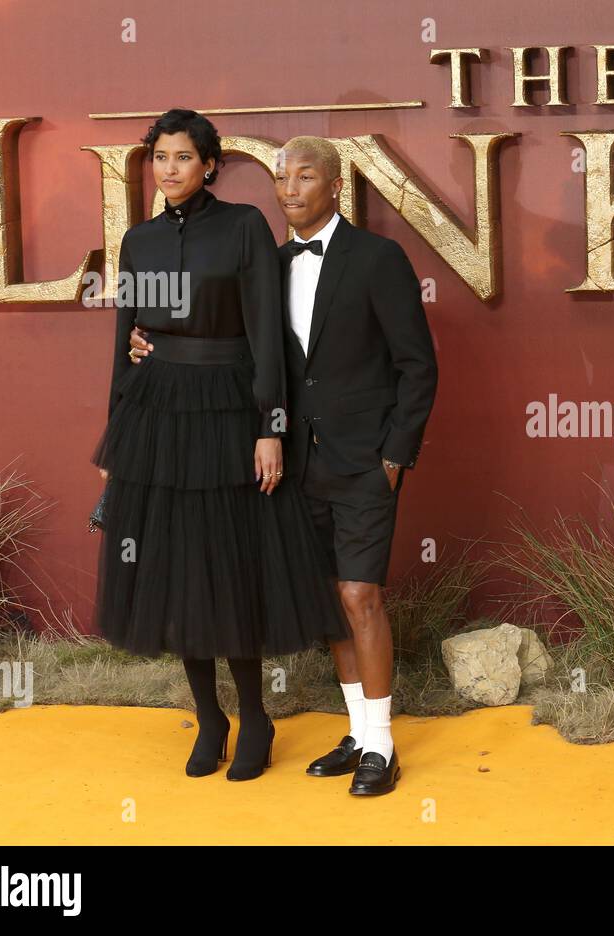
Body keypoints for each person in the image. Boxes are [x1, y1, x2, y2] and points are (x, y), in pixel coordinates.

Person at [130, 135, 438, 795]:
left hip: (364, 462)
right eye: (280, 178)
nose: (289, 189)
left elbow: (418, 365)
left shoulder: (378, 259)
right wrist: (146, 345)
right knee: (331, 600)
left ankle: (382, 745)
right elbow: (232, 347)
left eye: (304, 177)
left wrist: (394, 456)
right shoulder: (266, 264)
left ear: (333, 186)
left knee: (361, 595)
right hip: (293, 466)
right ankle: (356, 733)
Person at [94, 110, 351, 782]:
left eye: (183, 157)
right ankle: (209, 718)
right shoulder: (139, 241)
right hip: (158, 417)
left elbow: (267, 334)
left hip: (229, 409)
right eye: (160, 157)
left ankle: (257, 718)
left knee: (229, 567)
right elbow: (126, 340)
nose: (169, 168)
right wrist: (116, 444)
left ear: (210, 164)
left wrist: (272, 426)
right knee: (176, 570)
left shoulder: (242, 227)